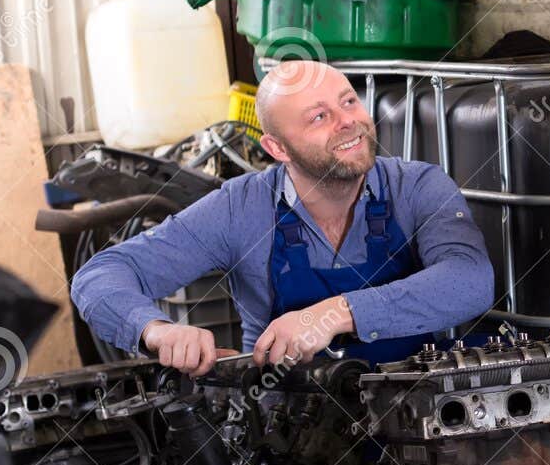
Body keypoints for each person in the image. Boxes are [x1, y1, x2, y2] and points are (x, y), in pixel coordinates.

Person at [72, 60, 494, 371]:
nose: (348, 122)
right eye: (319, 117)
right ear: (277, 149)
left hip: (417, 415)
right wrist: (158, 331)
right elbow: (100, 275)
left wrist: (330, 315)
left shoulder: (417, 186)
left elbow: (470, 280)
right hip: (290, 433)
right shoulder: (241, 208)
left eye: (349, 102)